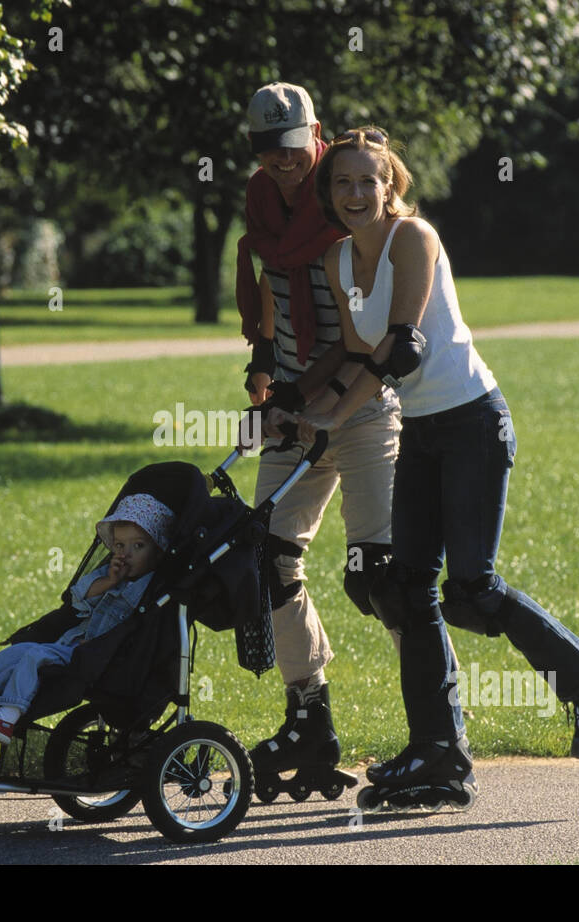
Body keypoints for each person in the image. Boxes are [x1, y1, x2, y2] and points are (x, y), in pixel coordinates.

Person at [297, 127, 579, 804]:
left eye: (367, 180)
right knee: (407, 588)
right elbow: (354, 355)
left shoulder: (415, 238)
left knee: (470, 589)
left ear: (390, 185)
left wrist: (333, 417)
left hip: (472, 422)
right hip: (422, 430)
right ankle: (439, 753)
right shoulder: (338, 262)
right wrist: (297, 403)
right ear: (329, 192)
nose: (354, 193)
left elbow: (400, 348)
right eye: (341, 182)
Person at [233, 83, 404, 797]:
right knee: (265, 556)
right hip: (296, 412)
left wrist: (310, 401)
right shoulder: (261, 208)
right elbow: (271, 309)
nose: (281, 159)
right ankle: (310, 716)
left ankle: (438, 734)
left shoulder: (344, 204)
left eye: (292, 146)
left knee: (385, 578)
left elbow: (367, 339)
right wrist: (265, 380)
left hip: (360, 411)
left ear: (317, 135)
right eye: (267, 147)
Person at [0, 494, 173, 744]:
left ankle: (6, 717)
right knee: (17, 652)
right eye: (120, 545)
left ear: (157, 551)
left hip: (94, 658)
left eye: (138, 546)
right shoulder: (108, 574)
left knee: (33, 657)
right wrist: (109, 582)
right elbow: (78, 599)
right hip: (69, 644)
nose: (126, 554)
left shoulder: (149, 588)